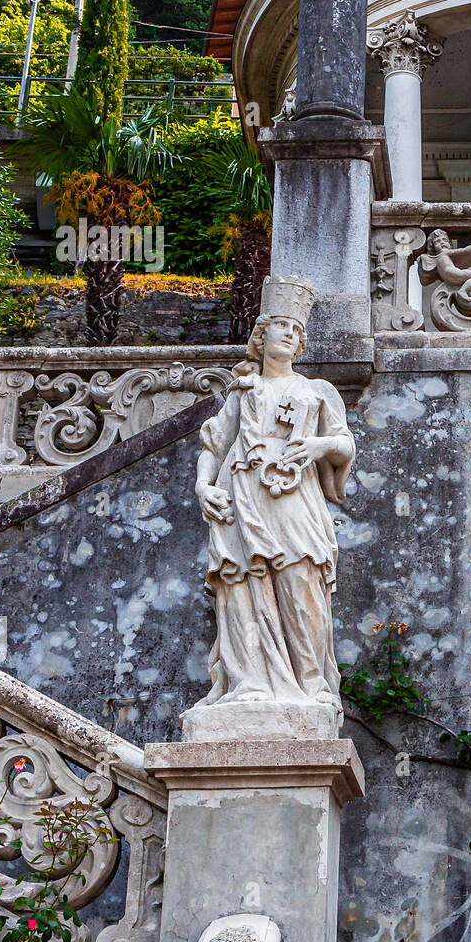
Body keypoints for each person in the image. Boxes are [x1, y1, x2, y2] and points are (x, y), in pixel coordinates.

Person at [192, 274, 355, 716]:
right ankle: (251, 684)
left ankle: (312, 685)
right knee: (240, 586)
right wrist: (204, 486)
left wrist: (318, 446)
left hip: (293, 495)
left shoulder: (314, 392)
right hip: (239, 496)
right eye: (281, 325)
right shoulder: (243, 390)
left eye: (296, 330)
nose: (289, 334)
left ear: (301, 344)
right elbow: (215, 446)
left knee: (303, 580)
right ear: (261, 336)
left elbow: (344, 444)